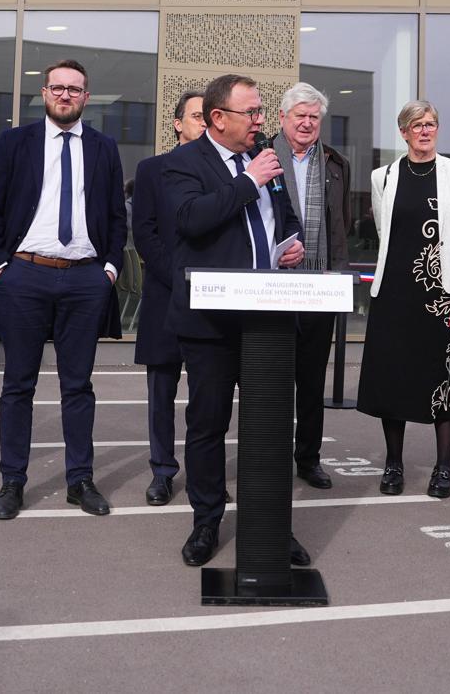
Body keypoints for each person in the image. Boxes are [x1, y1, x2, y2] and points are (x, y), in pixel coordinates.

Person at [165, 73, 306, 567]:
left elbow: (282, 219)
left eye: (262, 111)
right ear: (217, 118)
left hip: (268, 319)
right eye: (253, 113)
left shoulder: (264, 163)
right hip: (212, 321)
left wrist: (289, 243)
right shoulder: (180, 164)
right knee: (208, 424)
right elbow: (192, 220)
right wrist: (249, 182)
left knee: (268, 424)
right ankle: (206, 520)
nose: (261, 121)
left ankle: (269, 522)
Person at [0, 59, 126, 520]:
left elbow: (117, 217)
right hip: (25, 275)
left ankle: (80, 480)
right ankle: (12, 481)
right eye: (57, 88)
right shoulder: (15, 142)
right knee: (18, 385)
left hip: (85, 278)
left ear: (86, 97)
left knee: (77, 386)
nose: (65, 95)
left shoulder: (104, 148)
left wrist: (109, 271)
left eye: (75, 89)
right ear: (43, 93)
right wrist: (0, 268)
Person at [356, 101, 450, 499]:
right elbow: (385, 231)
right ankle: (394, 464)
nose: (425, 131)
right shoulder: (384, 176)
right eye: (417, 125)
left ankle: (443, 466)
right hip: (396, 293)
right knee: (393, 379)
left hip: (443, 295)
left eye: (432, 124)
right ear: (403, 132)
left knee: (443, 378)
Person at [271, 82, 351, 489]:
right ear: (282, 118)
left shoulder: (335, 163)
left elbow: (341, 227)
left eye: (313, 117)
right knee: (272, 377)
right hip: (271, 285)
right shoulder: (261, 157)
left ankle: (309, 457)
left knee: (312, 378)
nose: (306, 123)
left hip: (319, 283)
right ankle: (269, 453)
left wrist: (339, 277)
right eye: (299, 115)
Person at [131, 89, 206, 505]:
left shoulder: (227, 172)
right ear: (177, 124)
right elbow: (144, 232)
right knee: (161, 393)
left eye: (206, 117)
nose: (202, 123)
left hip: (212, 300)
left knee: (206, 396)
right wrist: (178, 278)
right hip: (166, 294)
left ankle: (204, 473)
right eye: (195, 116)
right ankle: (162, 471)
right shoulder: (152, 170)